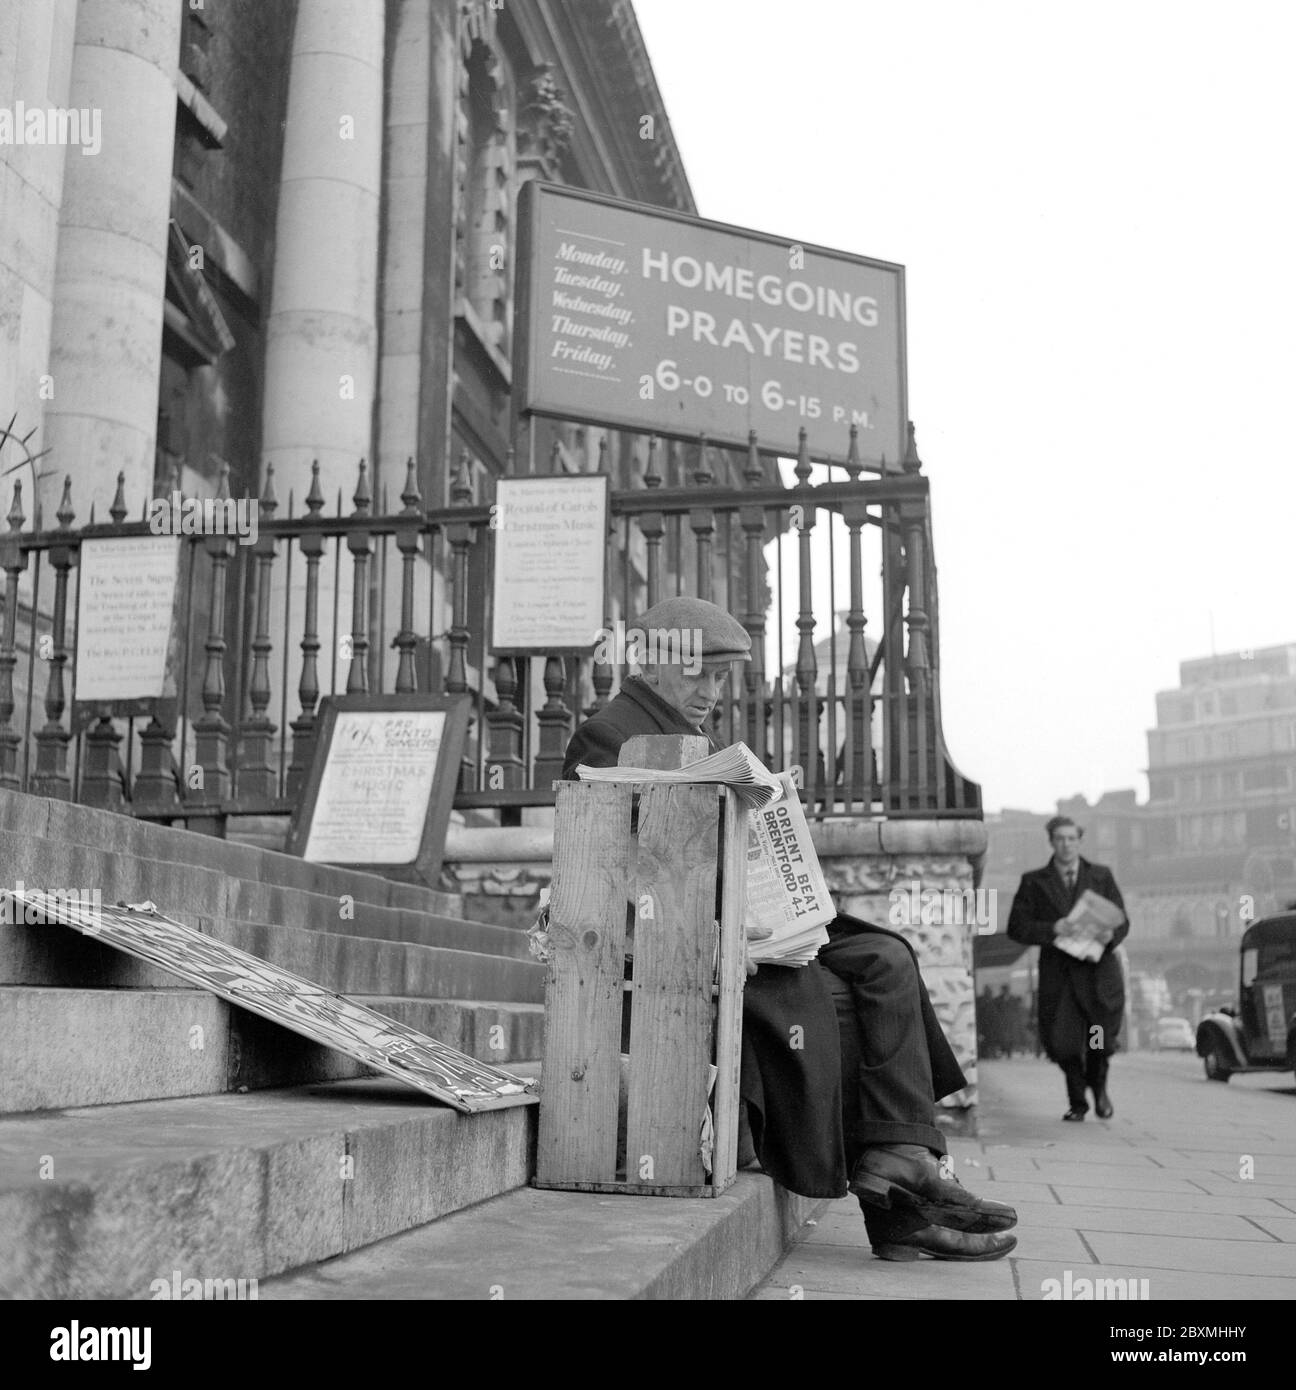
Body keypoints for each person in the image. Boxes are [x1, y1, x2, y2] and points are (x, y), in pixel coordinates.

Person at [562, 596, 1017, 1260]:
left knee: (887, 957)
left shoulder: (683, 730)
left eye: (721, 678)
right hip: (693, 938)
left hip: (752, 920)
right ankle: (901, 1195)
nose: (711, 692)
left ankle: (904, 1163)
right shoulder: (611, 733)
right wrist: (715, 932)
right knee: (846, 1004)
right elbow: (612, 874)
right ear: (656, 662)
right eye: (700, 674)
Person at [1007, 815, 1129, 1121]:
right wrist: (1053, 928)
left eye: (1071, 838)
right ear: (1051, 842)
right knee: (1064, 1044)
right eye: (1060, 838)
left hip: (1097, 976)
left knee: (1098, 1039)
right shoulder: (1034, 881)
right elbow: (1017, 927)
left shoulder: (1101, 876)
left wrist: (1109, 934)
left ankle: (1098, 1091)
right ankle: (1078, 1099)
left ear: (1080, 841)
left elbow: (1122, 920)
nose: (1066, 844)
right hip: (1060, 978)